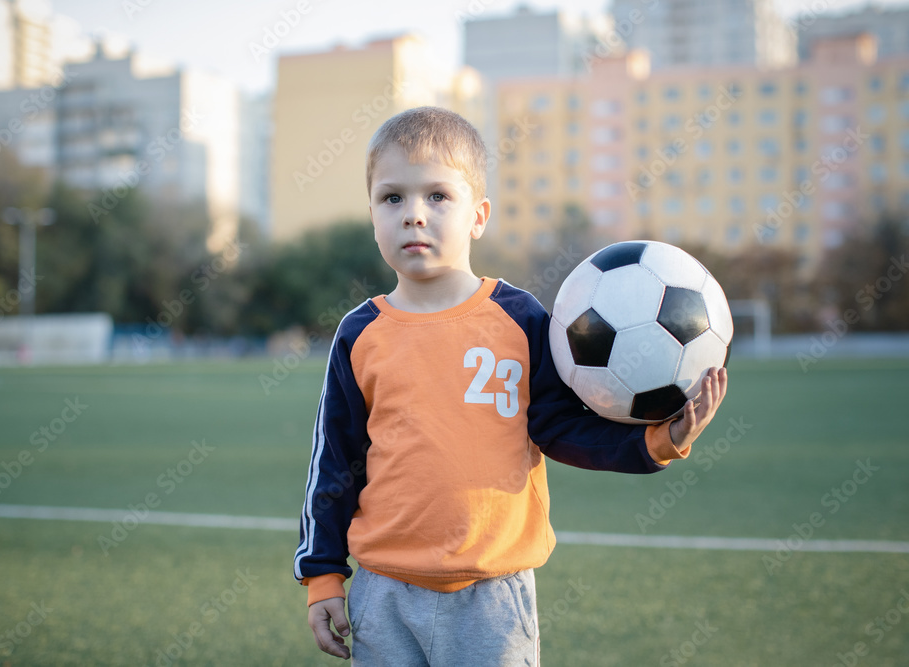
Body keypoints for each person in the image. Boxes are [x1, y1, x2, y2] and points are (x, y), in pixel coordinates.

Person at [293, 106, 728, 665]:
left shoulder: (521, 319)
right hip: (383, 591)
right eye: (392, 198)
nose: (413, 215)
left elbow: (560, 426)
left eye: (438, 196)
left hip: (494, 598)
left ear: (479, 215)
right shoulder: (360, 333)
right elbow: (334, 461)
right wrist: (323, 578)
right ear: (372, 213)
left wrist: (655, 442)